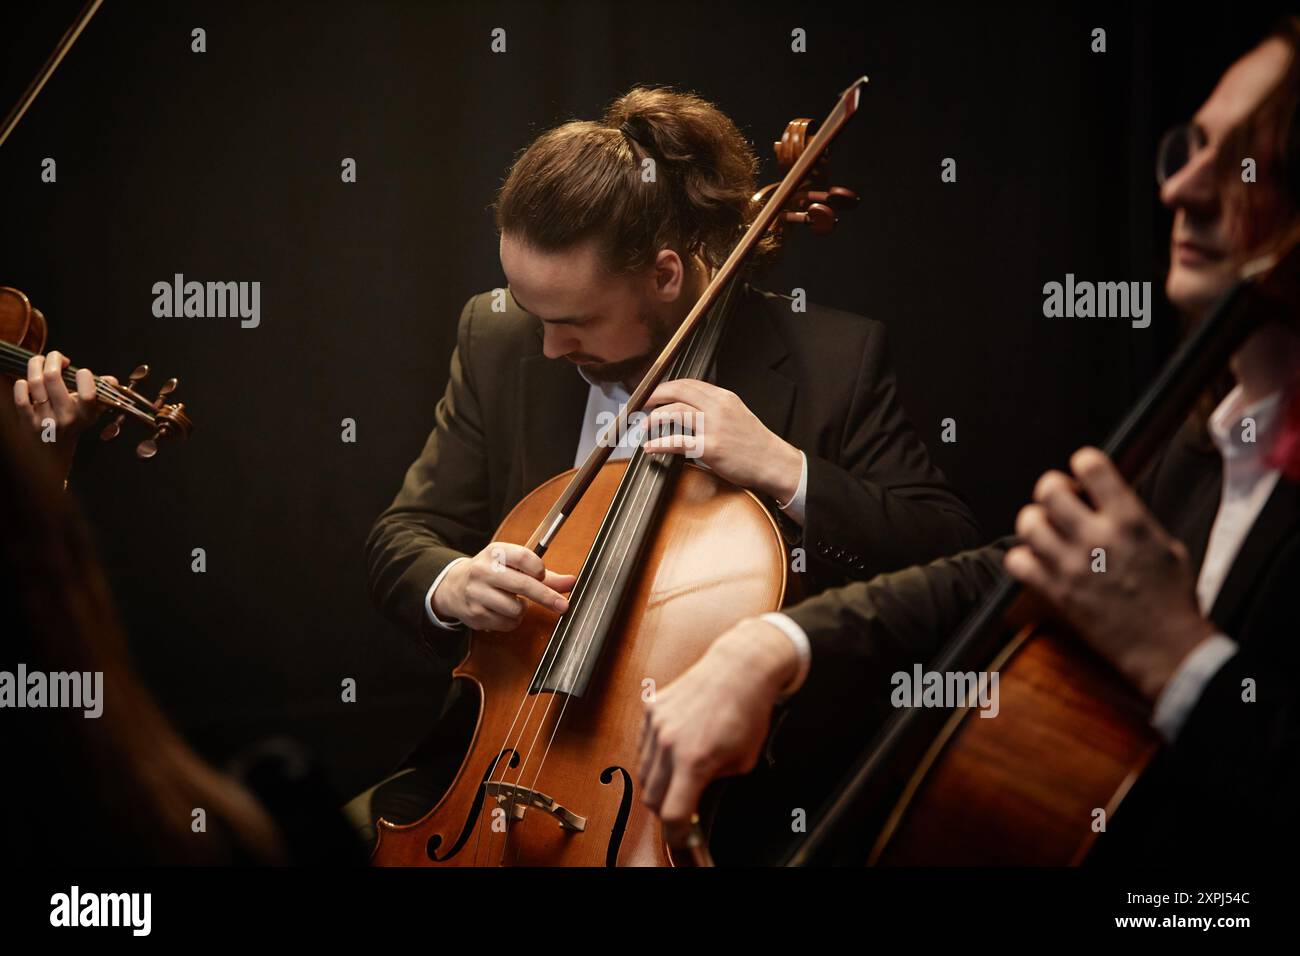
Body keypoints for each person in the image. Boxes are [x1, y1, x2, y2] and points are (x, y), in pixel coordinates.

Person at [639, 19, 1300, 865]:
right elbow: (1004, 570)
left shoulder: (844, 356)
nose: (1183, 188)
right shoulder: (1210, 433)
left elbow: (941, 536)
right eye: (1193, 148)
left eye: (1249, 165)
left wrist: (1181, 661)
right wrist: (774, 643)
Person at [355, 84, 983, 857]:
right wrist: (452, 583)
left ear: (664, 275)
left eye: (574, 321)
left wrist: (785, 470)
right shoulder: (499, 338)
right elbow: (403, 535)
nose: (548, 347)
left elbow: (952, 555)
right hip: (494, 766)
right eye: (531, 309)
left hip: (732, 795)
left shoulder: (835, 361)